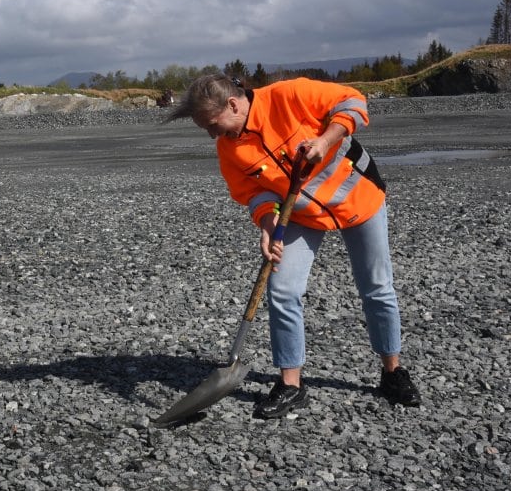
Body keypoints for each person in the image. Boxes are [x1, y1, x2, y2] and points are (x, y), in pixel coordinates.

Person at [167, 73, 421, 419]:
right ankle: (291, 385)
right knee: (283, 289)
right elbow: (253, 193)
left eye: (214, 124)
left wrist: (325, 138)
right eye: (206, 130)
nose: (213, 134)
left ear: (233, 104)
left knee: (376, 288)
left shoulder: (289, 95)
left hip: (360, 198)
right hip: (301, 215)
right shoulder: (230, 148)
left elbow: (353, 102)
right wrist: (268, 224)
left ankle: (392, 372)